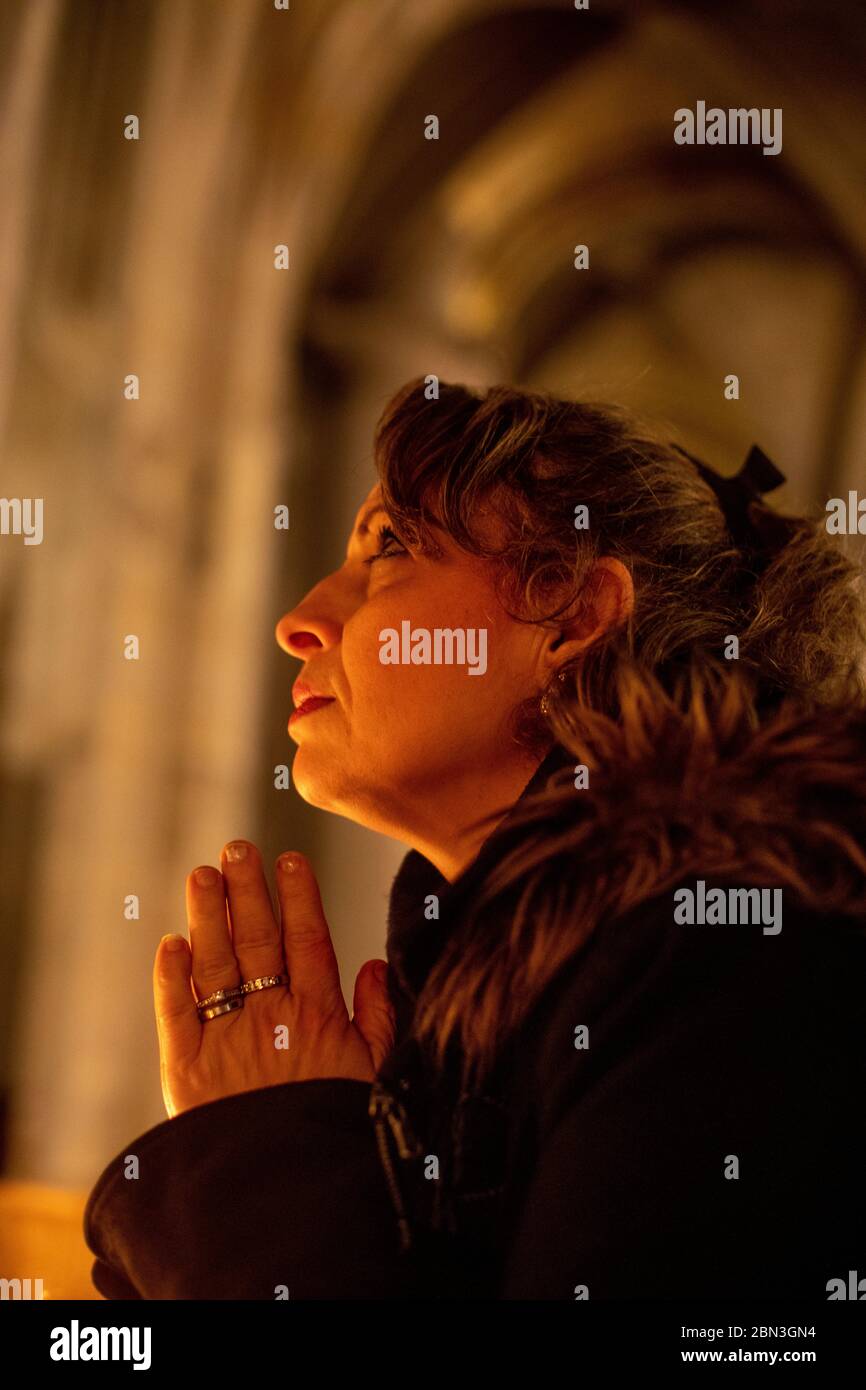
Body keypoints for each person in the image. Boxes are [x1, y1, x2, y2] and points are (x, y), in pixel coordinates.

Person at [84, 378, 866, 1299]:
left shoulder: (739, 951)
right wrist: (353, 1173)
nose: (299, 623)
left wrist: (264, 1167)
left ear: (571, 616)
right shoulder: (509, 987)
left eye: (392, 549)